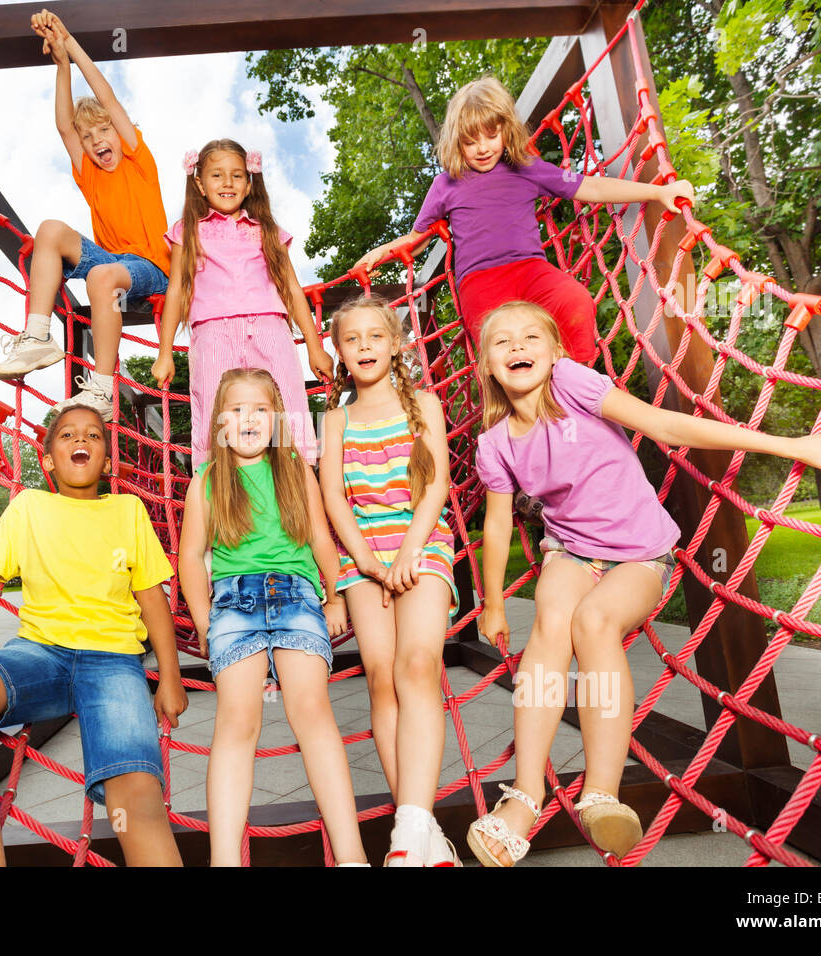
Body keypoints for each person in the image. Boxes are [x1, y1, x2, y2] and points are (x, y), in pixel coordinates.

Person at [470, 300, 821, 866]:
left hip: (639, 555)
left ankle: (602, 792)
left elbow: (663, 424)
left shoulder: (573, 385)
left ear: (554, 353)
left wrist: (793, 445)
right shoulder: (494, 442)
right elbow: (498, 524)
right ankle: (526, 794)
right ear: (487, 366)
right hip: (568, 553)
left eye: (530, 337)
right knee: (550, 630)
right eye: (502, 342)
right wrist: (494, 603)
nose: (518, 347)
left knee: (593, 622)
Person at [0, 404, 188, 866]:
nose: (80, 440)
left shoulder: (128, 510)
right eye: (66, 436)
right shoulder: (29, 506)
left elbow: (151, 598)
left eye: (93, 435)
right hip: (41, 657)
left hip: (113, 663)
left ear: (107, 461)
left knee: (137, 795)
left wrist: (170, 675)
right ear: (47, 460)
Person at [353, 75, 695, 366]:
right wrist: (380, 252)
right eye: (471, 141)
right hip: (480, 282)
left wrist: (654, 193)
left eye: (491, 135)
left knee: (576, 304)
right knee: (498, 347)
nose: (483, 148)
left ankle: (573, 385)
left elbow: (588, 186)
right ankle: (509, 423)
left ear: (506, 129)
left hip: (531, 269)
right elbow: (418, 237)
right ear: (456, 142)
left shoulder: (526, 168)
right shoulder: (446, 184)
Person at [177, 368, 366, 866]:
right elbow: (191, 557)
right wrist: (202, 620)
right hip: (233, 604)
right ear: (218, 423)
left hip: (297, 596)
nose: (249, 419)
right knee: (237, 722)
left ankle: (351, 855)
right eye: (236, 410)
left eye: (260, 409)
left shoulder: (295, 470)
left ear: (278, 418)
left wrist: (335, 597)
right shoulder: (207, 481)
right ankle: (224, 859)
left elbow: (322, 540)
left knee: (313, 713)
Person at [319, 297, 460, 866]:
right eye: (352, 340)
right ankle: (424, 835)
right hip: (363, 558)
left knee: (417, 665)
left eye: (376, 336)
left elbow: (437, 484)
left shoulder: (423, 402)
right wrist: (369, 560)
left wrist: (406, 553)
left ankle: (409, 826)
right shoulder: (335, 419)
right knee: (381, 678)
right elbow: (333, 497)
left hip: (422, 543)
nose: (365, 347)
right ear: (340, 353)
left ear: (396, 343)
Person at [0, 10, 171, 423]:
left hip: (151, 270)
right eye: (88, 137)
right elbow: (64, 127)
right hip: (114, 266)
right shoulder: (89, 172)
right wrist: (59, 67)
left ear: (120, 132)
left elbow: (105, 96)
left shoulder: (136, 160)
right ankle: (37, 335)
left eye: (103, 131)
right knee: (50, 231)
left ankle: (102, 389)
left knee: (101, 276)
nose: (96, 141)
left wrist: (69, 46)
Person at [150, 139, 332, 465]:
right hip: (213, 333)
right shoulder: (187, 231)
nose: (227, 182)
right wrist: (165, 353)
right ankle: (214, 482)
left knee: (286, 403)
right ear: (200, 184)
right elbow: (175, 290)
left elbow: (291, 288)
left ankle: (299, 474)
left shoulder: (267, 231)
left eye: (236, 175)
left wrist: (315, 347)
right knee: (215, 409)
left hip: (269, 329)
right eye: (217, 175)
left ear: (249, 184)